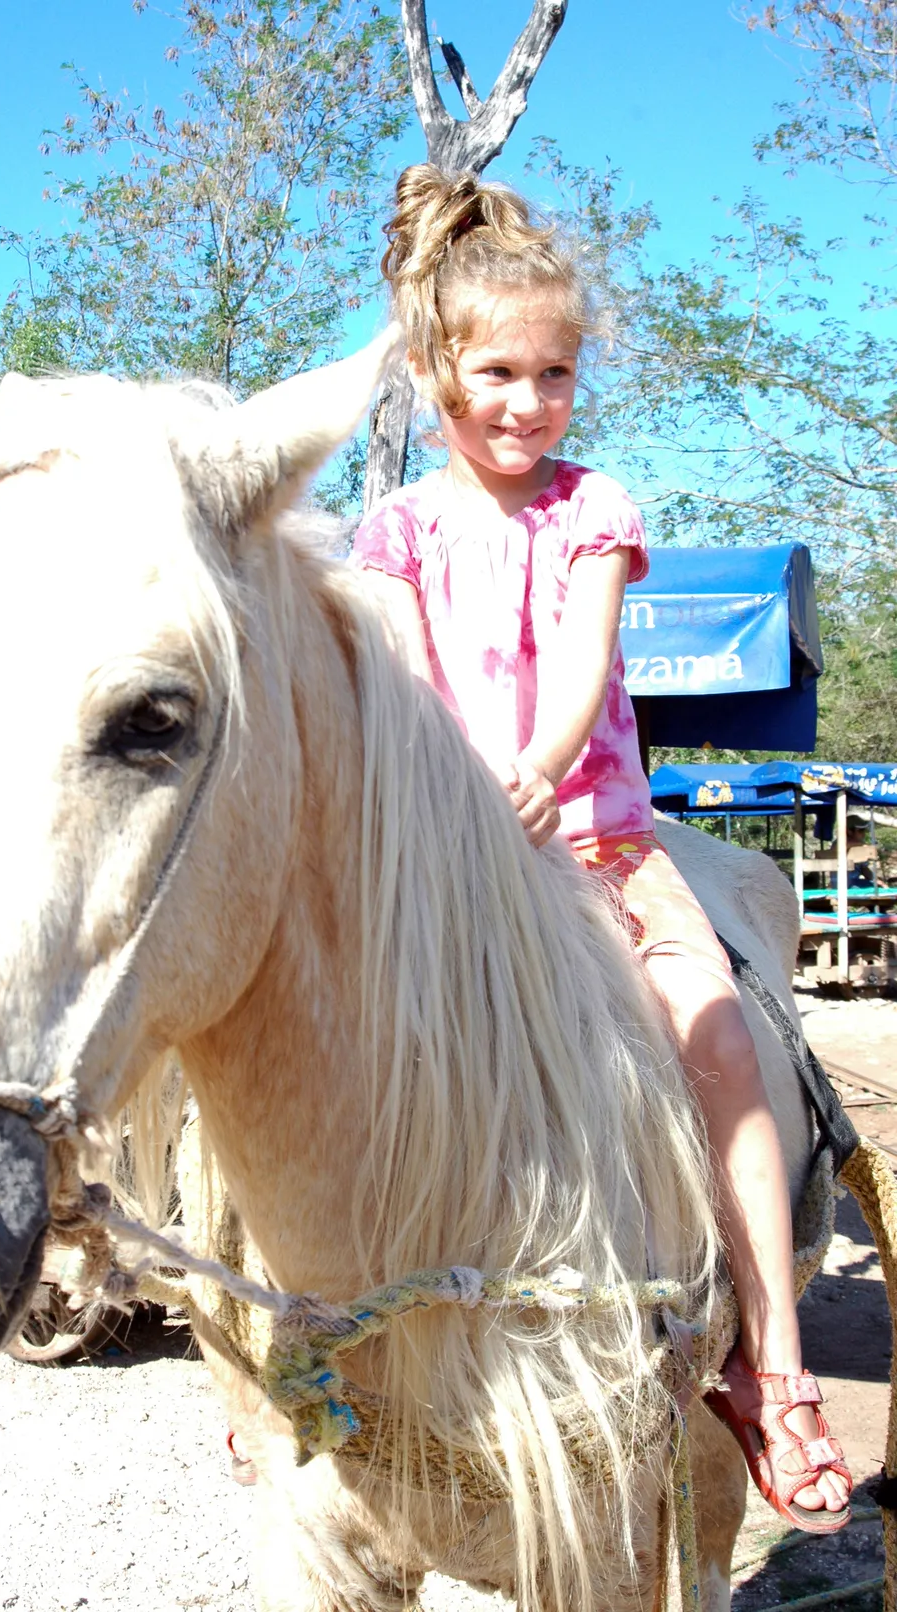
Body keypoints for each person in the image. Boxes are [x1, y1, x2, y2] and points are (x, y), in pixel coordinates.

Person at [352, 163, 851, 1533]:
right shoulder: (392, 527)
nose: (527, 401)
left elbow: (580, 665)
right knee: (319, 1042)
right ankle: (287, 1357)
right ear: (432, 366)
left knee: (717, 1034)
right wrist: (451, 797)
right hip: (454, 861)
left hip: (596, 844)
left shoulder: (594, 508)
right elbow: (397, 678)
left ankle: (773, 1361)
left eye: (555, 372)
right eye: (498, 370)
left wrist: (538, 765)